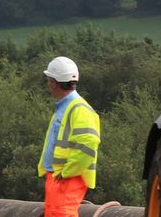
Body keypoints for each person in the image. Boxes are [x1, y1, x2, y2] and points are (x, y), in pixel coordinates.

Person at [40, 56, 101, 217]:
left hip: (67, 178)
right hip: (59, 176)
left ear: (53, 83)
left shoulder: (79, 109)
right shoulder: (65, 107)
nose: (48, 84)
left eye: (48, 80)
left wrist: (67, 172)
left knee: (62, 214)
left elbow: (89, 143)